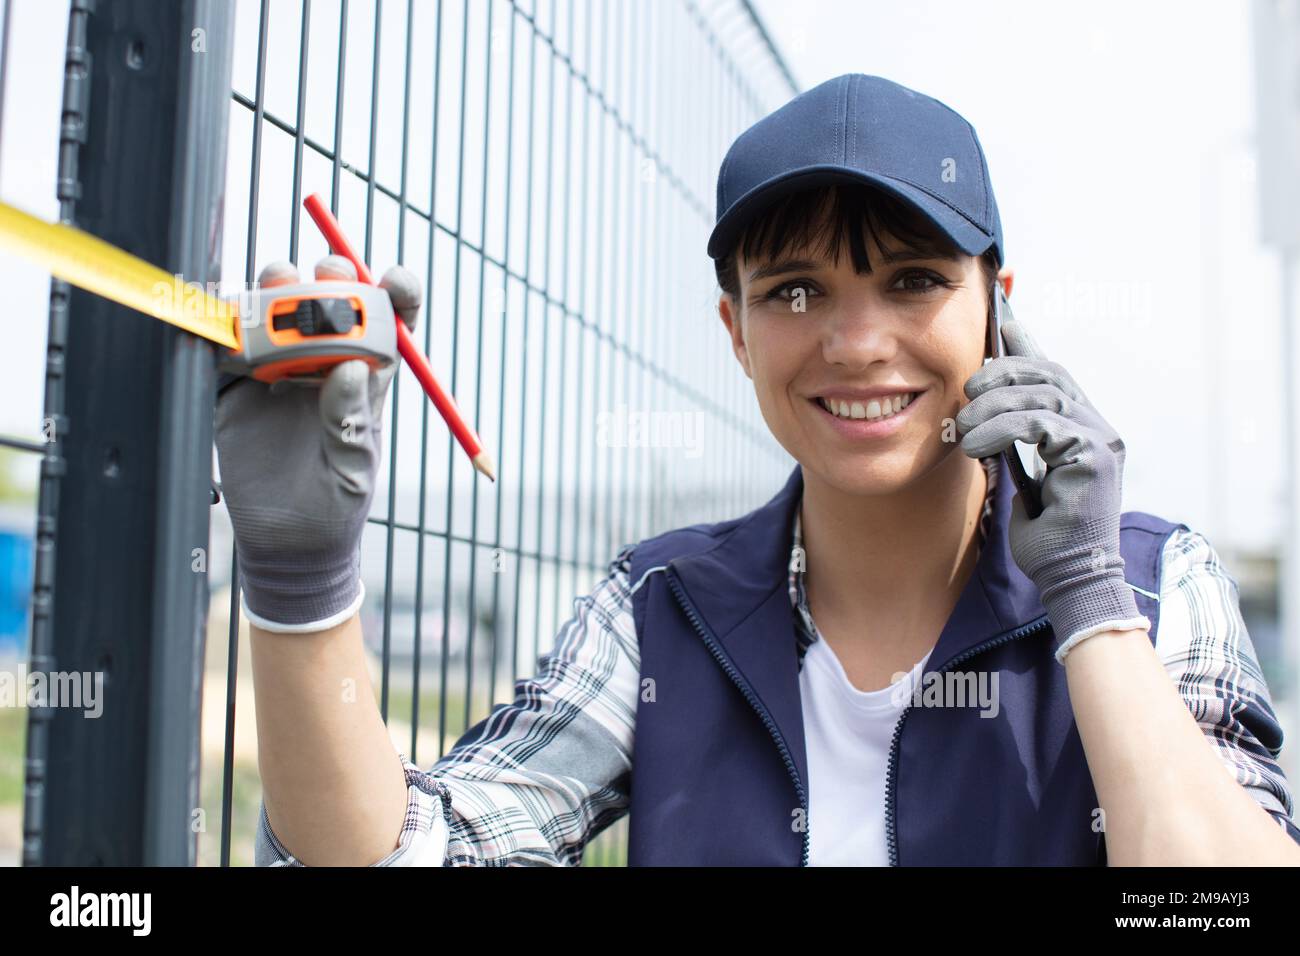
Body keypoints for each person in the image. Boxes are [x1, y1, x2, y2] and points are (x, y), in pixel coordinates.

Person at [218, 73, 1300, 866]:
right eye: (794, 291)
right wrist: (304, 586)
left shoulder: (1156, 587)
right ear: (735, 330)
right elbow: (402, 855)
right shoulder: (662, 611)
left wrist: (1088, 599)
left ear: (996, 307)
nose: (856, 341)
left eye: (914, 279)